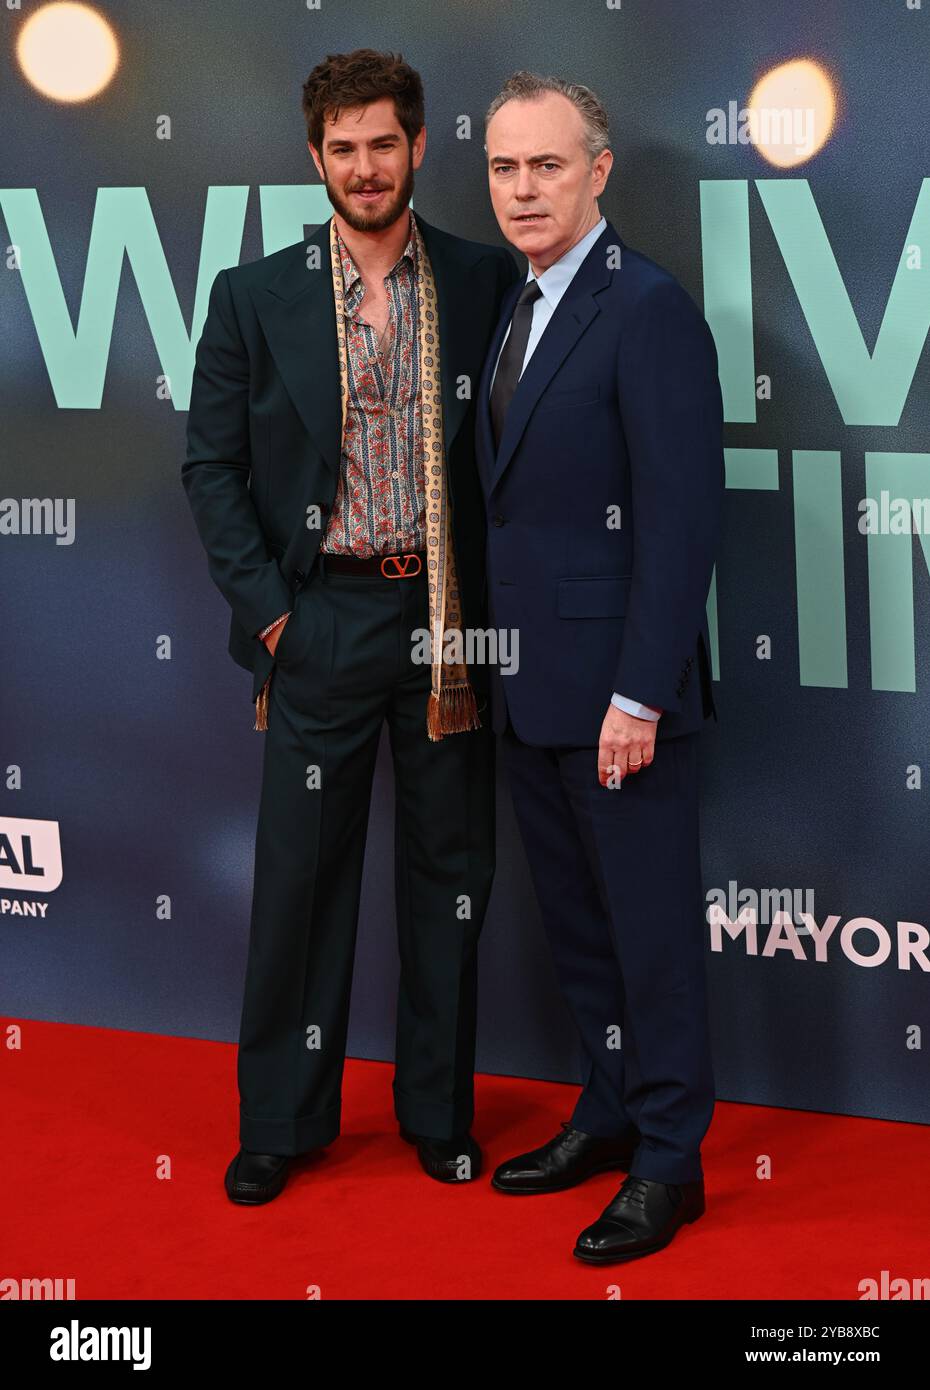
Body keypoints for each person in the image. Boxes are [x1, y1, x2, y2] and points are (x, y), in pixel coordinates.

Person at [182, 48, 520, 1204]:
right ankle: (280, 1119)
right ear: (314, 157)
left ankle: (438, 1112)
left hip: (446, 623)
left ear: (420, 147)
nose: (366, 167)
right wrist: (277, 622)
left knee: (451, 875)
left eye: (385, 143)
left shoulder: (483, 283)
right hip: (321, 617)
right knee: (300, 882)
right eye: (344, 147)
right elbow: (210, 471)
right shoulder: (253, 296)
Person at [477, 71, 725, 1262]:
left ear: (600, 172)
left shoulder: (648, 308)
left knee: (653, 936)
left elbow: (683, 521)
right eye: (503, 168)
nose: (523, 190)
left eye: (547, 166)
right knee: (580, 932)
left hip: (624, 702)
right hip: (530, 691)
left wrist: (641, 691)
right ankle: (613, 1111)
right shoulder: (515, 308)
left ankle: (671, 1164)